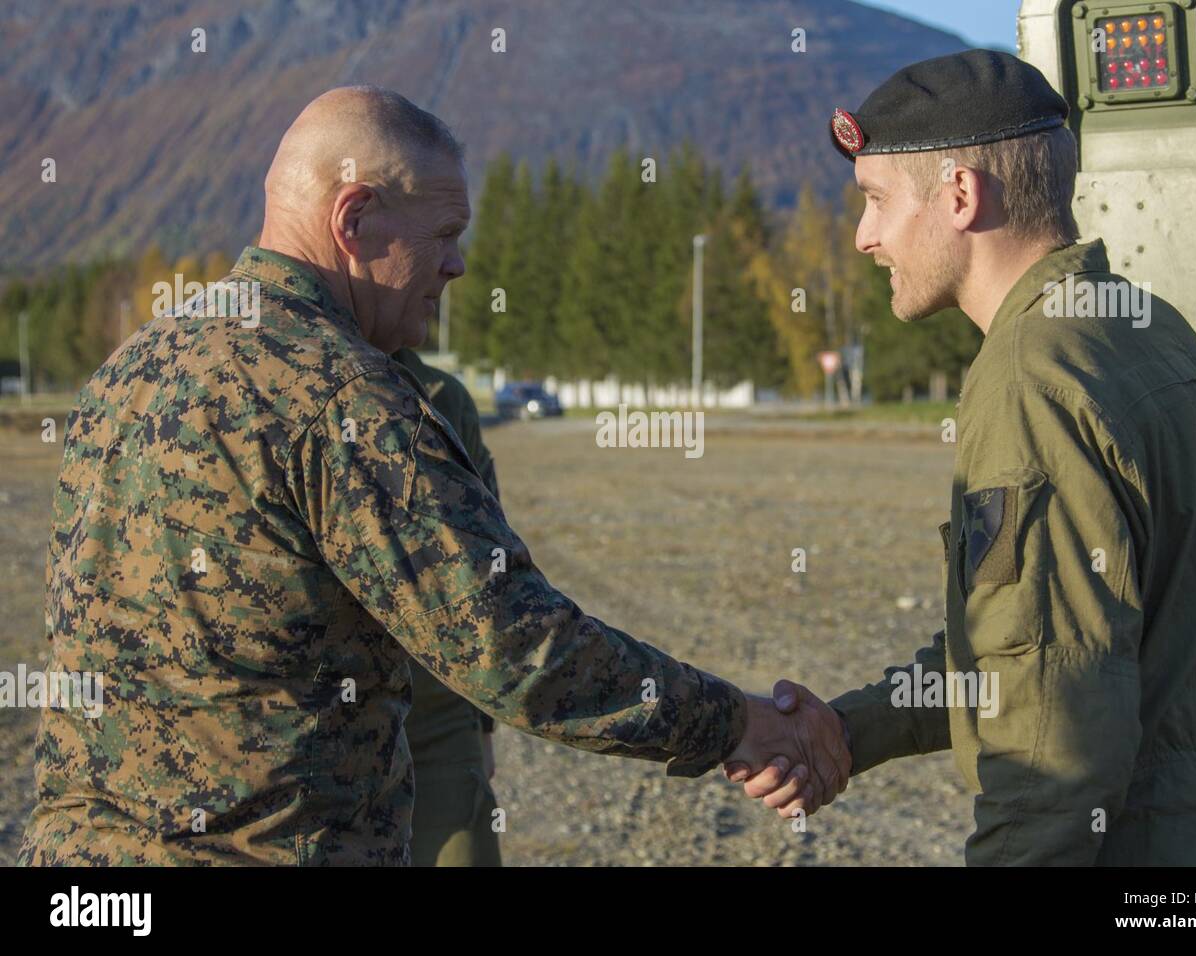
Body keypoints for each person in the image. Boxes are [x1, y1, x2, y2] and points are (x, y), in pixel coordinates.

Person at [19, 86, 849, 866]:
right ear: (355, 217)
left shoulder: (130, 368)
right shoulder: (341, 396)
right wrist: (733, 723)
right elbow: (511, 644)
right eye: (445, 235)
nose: (456, 267)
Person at [730, 50, 1196, 865]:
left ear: (959, 196)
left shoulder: (1034, 378)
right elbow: (1029, 644)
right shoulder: (1144, 324)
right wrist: (848, 730)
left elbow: (1051, 757)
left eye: (876, 202)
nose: (864, 238)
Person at [391, 346, 501, 867]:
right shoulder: (266, 376)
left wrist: (481, 725)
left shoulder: (442, 402)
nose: (453, 266)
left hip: (436, 722)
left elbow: (490, 587)